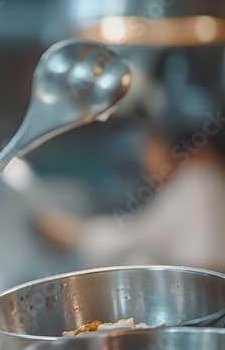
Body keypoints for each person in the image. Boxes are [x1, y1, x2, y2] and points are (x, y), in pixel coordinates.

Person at [37, 112, 225, 274]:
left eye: (149, 148)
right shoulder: (207, 178)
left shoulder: (197, 182)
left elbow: (138, 236)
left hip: (203, 286)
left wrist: (77, 234)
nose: (146, 162)